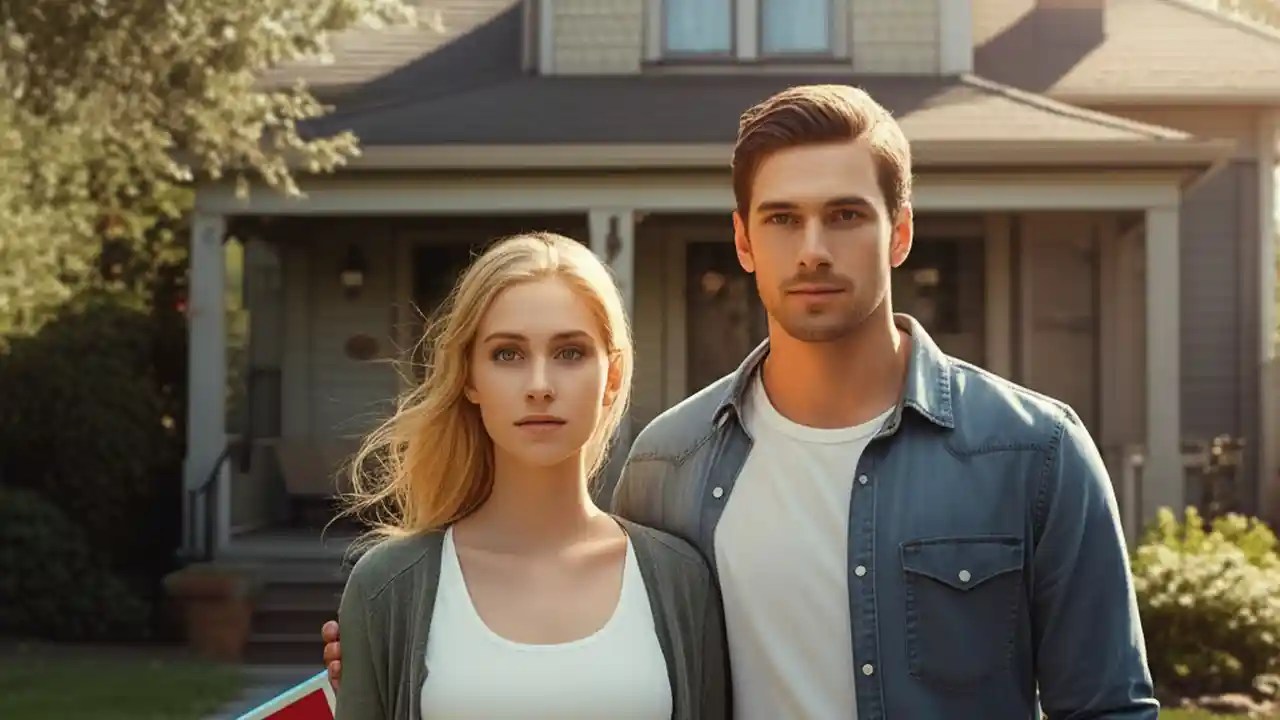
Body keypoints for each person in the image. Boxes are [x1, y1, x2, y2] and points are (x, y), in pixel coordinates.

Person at [323, 85, 1158, 719]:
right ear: (743, 240)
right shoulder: (670, 462)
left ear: (898, 232)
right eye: (783, 219)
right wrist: (403, 645)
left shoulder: (1033, 451)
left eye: (846, 215)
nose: (815, 249)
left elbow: (1109, 707)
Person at [329, 232, 728, 720]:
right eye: (507, 355)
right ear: (469, 378)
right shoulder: (388, 587)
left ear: (614, 378)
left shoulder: (680, 580)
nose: (540, 386)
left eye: (570, 353)